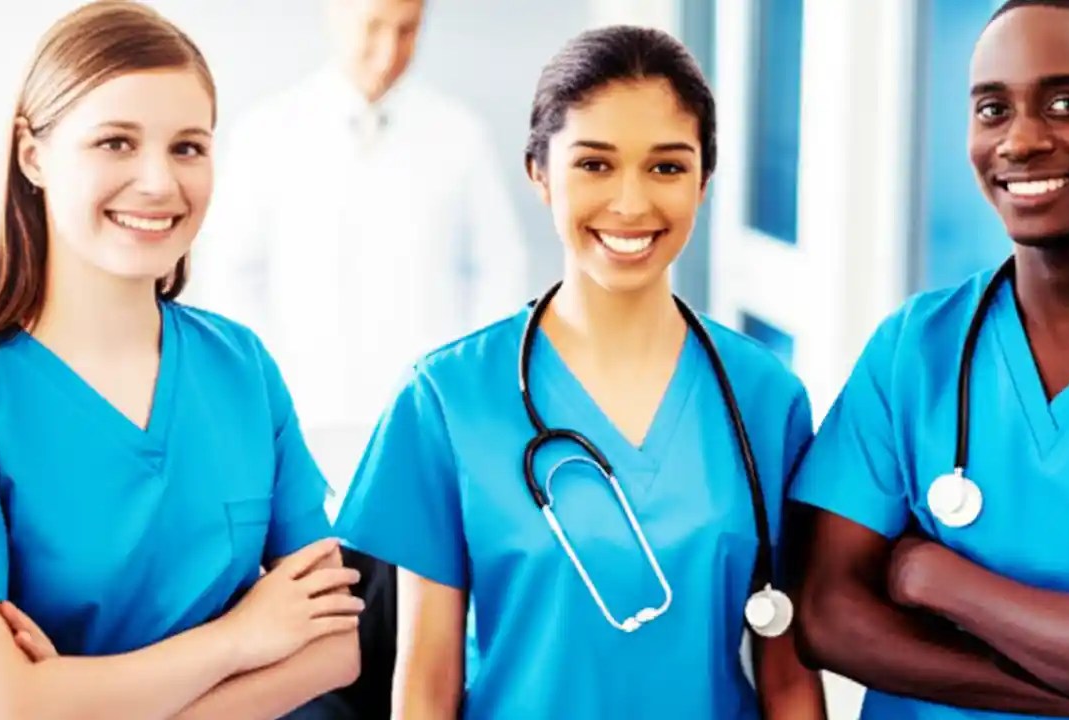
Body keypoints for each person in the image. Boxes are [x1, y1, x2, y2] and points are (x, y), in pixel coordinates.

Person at [334, 25, 826, 719]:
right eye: (595, 165)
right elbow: (424, 685)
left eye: (666, 167)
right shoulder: (447, 400)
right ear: (539, 173)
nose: (631, 204)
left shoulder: (766, 399)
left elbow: (789, 677)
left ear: (705, 181)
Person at [791, 1, 1069, 718]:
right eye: (993, 109)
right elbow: (824, 613)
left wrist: (935, 579)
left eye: (1067, 103)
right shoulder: (915, 350)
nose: (1021, 141)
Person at [0, 3, 364, 718]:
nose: (158, 183)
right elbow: (1, 704)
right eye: (116, 142)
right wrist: (242, 638)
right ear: (34, 155)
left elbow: (335, 649)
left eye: (187, 147)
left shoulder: (241, 366)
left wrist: (86, 699)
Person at [189, 0, 528, 514]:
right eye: (373, 29)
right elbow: (231, 273)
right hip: (304, 413)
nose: (388, 52)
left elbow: (501, 270)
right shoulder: (268, 132)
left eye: (408, 31)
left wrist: (464, 389)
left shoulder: (460, 135)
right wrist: (271, 387)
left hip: (426, 418)